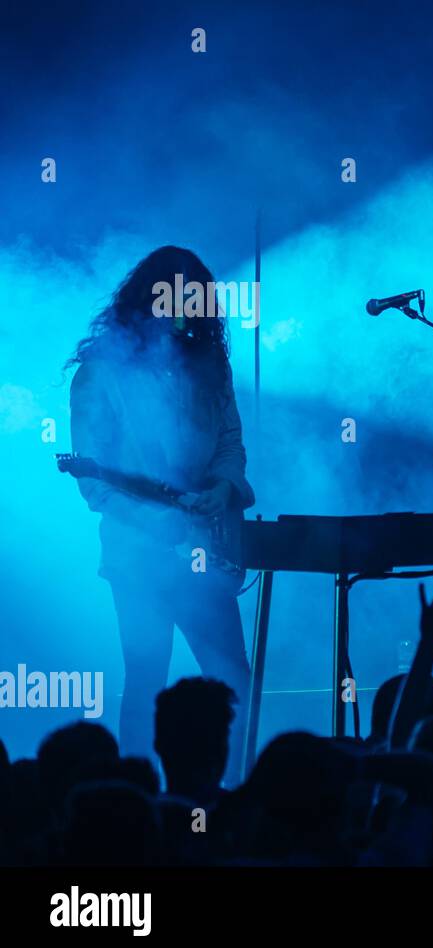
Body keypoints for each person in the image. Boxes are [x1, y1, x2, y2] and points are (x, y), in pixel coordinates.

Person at [67, 246, 255, 776]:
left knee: (233, 680)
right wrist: (167, 519)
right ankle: (139, 804)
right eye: (175, 301)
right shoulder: (100, 374)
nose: (184, 313)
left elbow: (231, 443)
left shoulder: (208, 364)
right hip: (138, 556)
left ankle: (231, 794)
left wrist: (223, 488)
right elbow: (95, 484)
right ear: (148, 299)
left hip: (207, 550)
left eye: (194, 303)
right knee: (147, 678)